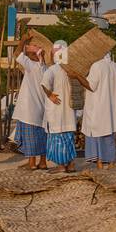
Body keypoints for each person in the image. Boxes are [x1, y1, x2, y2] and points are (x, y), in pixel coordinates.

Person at [79, 50, 116, 169]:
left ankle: (99, 162)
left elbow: (90, 85)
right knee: (108, 135)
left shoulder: (97, 66)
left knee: (97, 134)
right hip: (110, 108)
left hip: (98, 107)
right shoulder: (115, 66)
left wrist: (77, 77)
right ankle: (111, 162)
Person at [40, 40, 77, 172]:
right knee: (69, 139)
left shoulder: (53, 69)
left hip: (56, 111)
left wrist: (49, 95)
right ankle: (71, 164)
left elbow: (44, 84)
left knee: (58, 140)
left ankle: (61, 166)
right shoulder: (71, 69)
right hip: (69, 111)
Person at [13, 39, 49, 169]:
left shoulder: (31, 66)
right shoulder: (45, 68)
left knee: (30, 136)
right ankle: (43, 162)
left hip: (29, 108)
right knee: (42, 135)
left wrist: (22, 40)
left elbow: (16, 53)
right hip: (42, 108)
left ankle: (32, 163)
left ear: (34, 56)